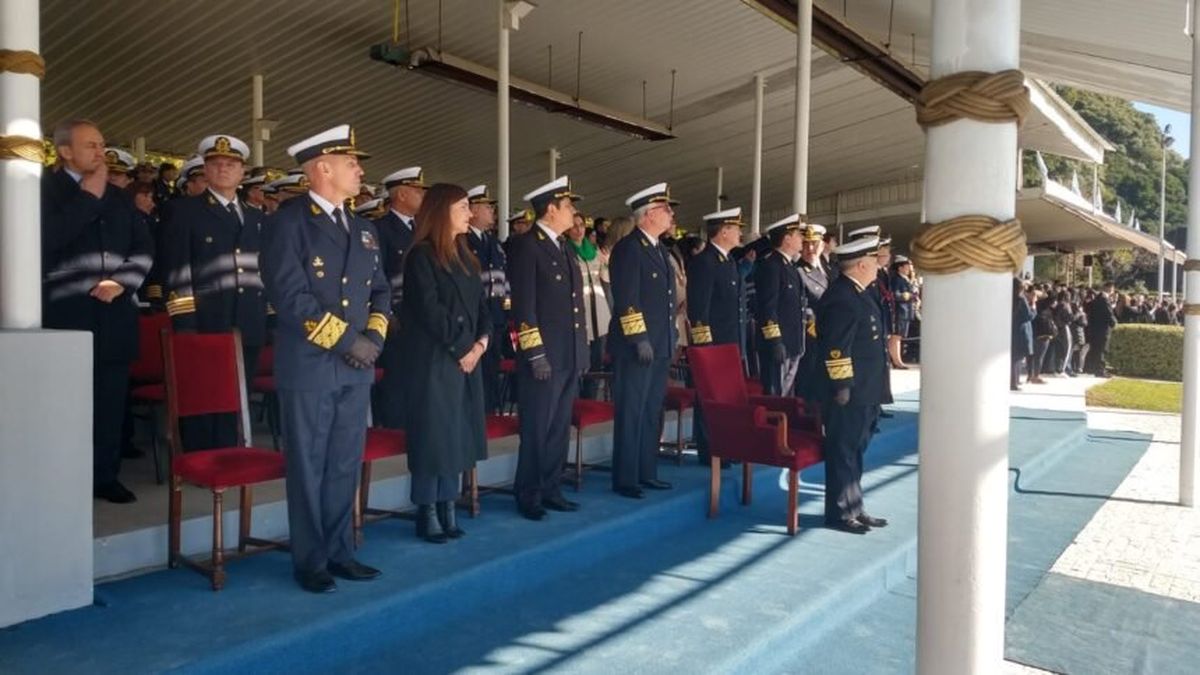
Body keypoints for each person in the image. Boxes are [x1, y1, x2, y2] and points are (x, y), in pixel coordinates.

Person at [260, 124, 390, 593]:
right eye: (351, 162)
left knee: (343, 462)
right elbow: (292, 298)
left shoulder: (365, 229)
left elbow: (380, 292)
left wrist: (372, 339)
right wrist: (348, 343)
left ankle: (340, 551)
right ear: (322, 168)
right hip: (313, 364)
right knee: (310, 463)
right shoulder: (287, 222)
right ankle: (310, 559)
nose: (359, 170)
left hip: (356, 365)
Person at [42, 118, 153, 504]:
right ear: (65, 151)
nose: (99, 151)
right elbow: (45, 239)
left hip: (114, 314)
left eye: (101, 143)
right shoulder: (41, 189)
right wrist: (87, 199)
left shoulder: (120, 197)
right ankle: (62, 478)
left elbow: (143, 248)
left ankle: (104, 476)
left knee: (109, 403)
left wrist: (122, 281)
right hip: (66, 317)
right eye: (90, 145)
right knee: (64, 405)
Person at [161, 134, 268, 451]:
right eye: (216, 164)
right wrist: (185, 322)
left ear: (242, 172)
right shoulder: (184, 212)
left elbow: (264, 271)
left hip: (247, 319)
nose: (223, 169)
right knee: (203, 394)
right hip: (206, 318)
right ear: (205, 170)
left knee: (238, 392)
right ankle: (200, 458)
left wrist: (268, 318)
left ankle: (230, 452)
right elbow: (177, 269)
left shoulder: (256, 217)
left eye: (231, 164)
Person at [397, 184, 490, 544]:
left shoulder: (468, 257)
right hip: (435, 360)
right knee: (433, 435)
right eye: (464, 207)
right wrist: (464, 348)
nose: (470, 213)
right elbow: (430, 311)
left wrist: (480, 345)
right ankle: (427, 510)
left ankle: (449, 504)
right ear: (441, 212)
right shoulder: (421, 256)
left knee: (457, 435)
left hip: (467, 359)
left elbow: (483, 308)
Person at [508, 175, 589, 520]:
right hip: (544, 355)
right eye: (569, 206)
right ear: (551, 208)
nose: (574, 212)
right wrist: (534, 352)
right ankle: (529, 493)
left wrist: (580, 351)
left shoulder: (564, 247)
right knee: (538, 426)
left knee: (558, 425)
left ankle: (551, 486)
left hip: (568, 352)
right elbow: (524, 307)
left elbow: (574, 306)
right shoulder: (528, 246)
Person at [814, 236, 889, 534]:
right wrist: (842, 383)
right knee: (843, 450)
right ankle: (839, 512)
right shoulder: (842, 297)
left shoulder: (860, 293)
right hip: (849, 391)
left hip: (866, 388)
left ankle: (855, 506)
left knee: (855, 450)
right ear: (860, 265)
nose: (877, 267)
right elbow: (836, 346)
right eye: (873, 262)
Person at [608, 183, 678, 498]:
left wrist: (669, 338)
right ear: (649, 214)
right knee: (632, 410)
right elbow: (627, 299)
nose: (671, 214)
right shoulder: (629, 249)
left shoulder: (660, 250)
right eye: (666, 209)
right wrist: (639, 338)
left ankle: (646, 470)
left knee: (652, 410)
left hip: (660, 343)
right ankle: (626, 477)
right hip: (636, 346)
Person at [686, 207, 747, 464]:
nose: (740, 233)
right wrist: (705, 349)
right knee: (709, 397)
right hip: (713, 344)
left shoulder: (728, 261)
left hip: (729, 342)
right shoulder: (705, 262)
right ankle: (709, 448)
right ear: (723, 232)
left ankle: (724, 445)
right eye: (736, 229)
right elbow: (699, 309)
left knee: (725, 397)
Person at [373, 166, 427, 429]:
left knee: (418, 376)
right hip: (396, 317)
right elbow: (377, 276)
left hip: (423, 317)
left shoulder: (423, 229)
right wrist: (386, 315)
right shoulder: (379, 229)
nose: (422, 196)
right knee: (396, 377)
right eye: (417, 191)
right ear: (402, 194)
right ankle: (394, 429)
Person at [464, 185, 511, 413]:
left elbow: (505, 279)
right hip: (475, 317)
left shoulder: (493, 242)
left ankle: (490, 412)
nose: (492, 211)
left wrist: (507, 307)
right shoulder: (462, 240)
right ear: (472, 210)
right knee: (476, 371)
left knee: (492, 367)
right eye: (487, 207)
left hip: (496, 314)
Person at [754, 214, 806, 396]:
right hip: (779, 343)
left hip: (792, 342)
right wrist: (774, 340)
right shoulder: (772, 266)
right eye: (798, 234)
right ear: (786, 239)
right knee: (776, 395)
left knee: (788, 395)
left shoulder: (789, 266)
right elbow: (768, 308)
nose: (802, 239)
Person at [566, 210, 612, 399]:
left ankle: (591, 397)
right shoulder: (566, 251)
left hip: (599, 312)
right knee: (578, 358)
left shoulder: (594, 251)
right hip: (579, 312)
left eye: (581, 225)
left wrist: (607, 263)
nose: (578, 230)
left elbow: (605, 280)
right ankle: (576, 399)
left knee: (596, 359)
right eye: (574, 226)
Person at [1084, 282, 1116, 377]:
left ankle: (1091, 368)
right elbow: (1108, 313)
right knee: (1101, 350)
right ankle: (1100, 371)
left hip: (1095, 328)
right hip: (1102, 329)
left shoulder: (1097, 298)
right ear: (1110, 289)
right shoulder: (1104, 300)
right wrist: (1113, 323)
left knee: (1095, 349)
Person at [889, 255, 916, 369]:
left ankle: (898, 360)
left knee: (899, 337)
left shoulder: (906, 279)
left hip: (906, 310)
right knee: (896, 337)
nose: (908, 268)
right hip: (899, 310)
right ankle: (896, 361)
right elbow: (895, 294)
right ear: (900, 268)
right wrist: (906, 295)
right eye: (906, 266)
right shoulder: (897, 279)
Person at [1011, 278, 1034, 391]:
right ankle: (1014, 382)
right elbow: (1028, 315)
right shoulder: (1021, 299)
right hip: (1021, 330)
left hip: (1011, 329)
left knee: (1014, 357)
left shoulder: (1009, 296)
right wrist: (1033, 306)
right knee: (1017, 358)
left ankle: (1014, 380)